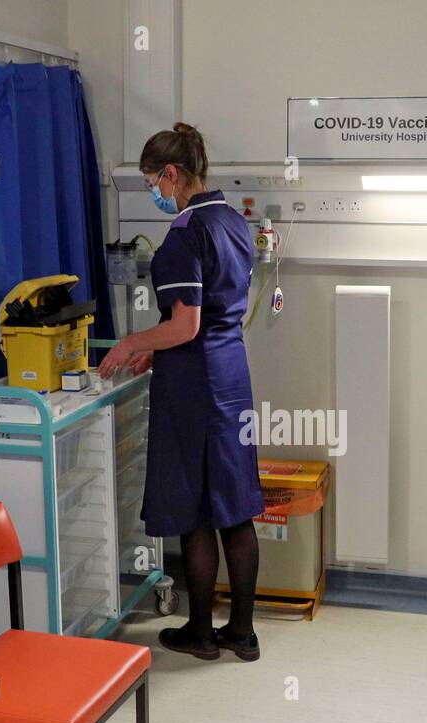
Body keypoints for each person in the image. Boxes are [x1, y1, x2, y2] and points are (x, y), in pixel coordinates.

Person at [98, 123, 263, 662]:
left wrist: (132, 342)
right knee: (234, 509)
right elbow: (213, 316)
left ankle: (199, 632)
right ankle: (241, 632)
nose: (154, 193)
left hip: (194, 388)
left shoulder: (185, 235)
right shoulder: (235, 222)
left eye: (152, 182)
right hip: (232, 377)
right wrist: (157, 346)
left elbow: (186, 324)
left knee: (195, 512)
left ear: (171, 174)